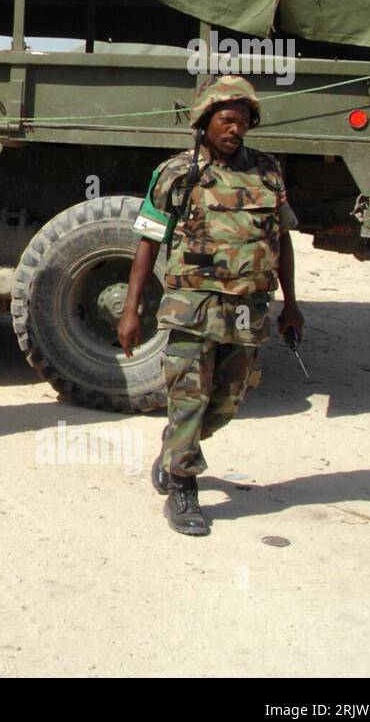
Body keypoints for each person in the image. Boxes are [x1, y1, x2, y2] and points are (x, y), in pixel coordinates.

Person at [117, 75, 304, 535]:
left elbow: (282, 240)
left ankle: (176, 443)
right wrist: (130, 308)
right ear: (205, 122)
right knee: (188, 395)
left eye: (243, 121)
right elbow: (147, 241)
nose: (235, 129)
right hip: (191, 305)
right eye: (227, 120)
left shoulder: (267, 172)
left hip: (247, 309)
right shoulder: (177, 174)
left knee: (227, 400)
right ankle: (183, 487)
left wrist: (292, 304)